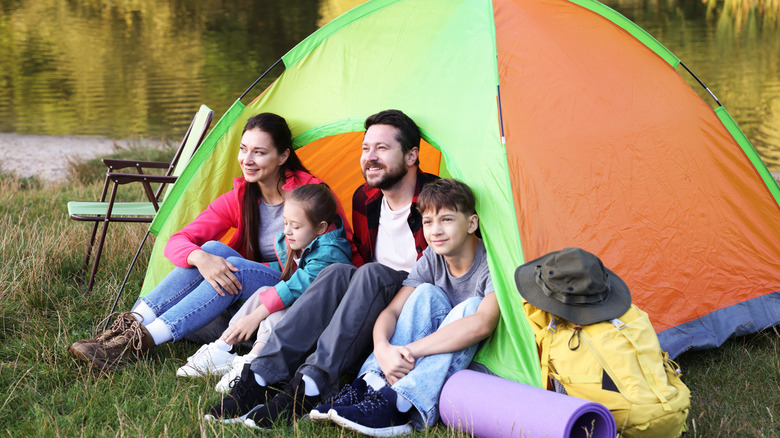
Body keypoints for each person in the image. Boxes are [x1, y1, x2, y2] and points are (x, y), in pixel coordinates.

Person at [205, 109, 439, 429]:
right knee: (339, 271)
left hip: (412, 303)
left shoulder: (434, 201)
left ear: (412, 155)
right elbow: (359, 255)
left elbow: (437, 273)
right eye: (366, 148)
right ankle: (259, 375)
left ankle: (312, 384)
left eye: (382, 148)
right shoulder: (365, 198)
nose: (370, 157)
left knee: (369, 272)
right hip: (369, 299)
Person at [68, 113, 352, 371]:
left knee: (231, 268)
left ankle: (137, 343)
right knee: (212, 250)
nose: (247, 160)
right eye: (243, 149)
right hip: (260, 281)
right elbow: (178, 241)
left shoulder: (310, 195)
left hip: (299, 285)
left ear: (282, 156)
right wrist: (200, 259)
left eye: (259, 152)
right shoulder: (243, 198)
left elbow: (337, 254)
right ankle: (128, 325)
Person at [312, 178, 499, 436]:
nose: (435, 231)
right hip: (424, 353)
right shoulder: (432, 258)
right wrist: (384, 349)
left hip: (469, 358)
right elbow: (392, 311)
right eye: (428, 221)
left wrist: (407, 351)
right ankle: (370, 383)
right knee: (425, 293)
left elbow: (482, 324)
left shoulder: (491, 262)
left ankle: (401, 405)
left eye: (446, 219)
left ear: (471, 223)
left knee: (471, 307)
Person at [175, 183, 352, 379]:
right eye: (285, 223)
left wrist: (255, 317)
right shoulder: (304, 242)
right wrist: (256, 271)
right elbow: (288, 273)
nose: (288, 231)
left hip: (321, 323)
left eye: (296, 226)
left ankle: (253, 364)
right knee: (264, 292)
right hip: (304, 306)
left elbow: (295, 288)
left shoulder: (329, 253)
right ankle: (224, 346)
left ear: (320, 228)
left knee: (278, 312)